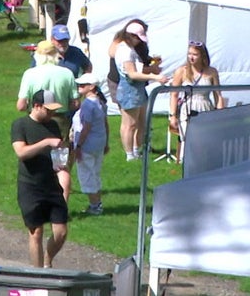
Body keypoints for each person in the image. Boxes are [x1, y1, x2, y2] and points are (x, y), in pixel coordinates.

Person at [11, 89, 70, 268]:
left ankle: (47, 260)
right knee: (36, 232)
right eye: (48, 109)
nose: (52, 113)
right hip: (30, 185)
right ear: (37, 106)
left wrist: (64, 160)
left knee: (61, 232)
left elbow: (59, 151)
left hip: (51, 184)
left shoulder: (53, 125)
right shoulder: (20, 125)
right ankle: (37, 274)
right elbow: (21, 152)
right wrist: (45, 142)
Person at [17, 40, 80, 200]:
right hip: (60, 119)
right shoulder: (67, 73)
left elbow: (21, 105)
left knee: (37, 158)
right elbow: (75, 103)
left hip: (35, 120)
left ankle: (38, 197)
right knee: (61, 165)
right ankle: (62, 204)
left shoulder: (30, 73)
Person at [109, 21, 168, 160]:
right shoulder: (125, 50)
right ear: (130, 36)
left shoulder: (129, 49)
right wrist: (155, 76)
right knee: (129, 124)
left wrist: (152, 66)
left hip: (136, 88)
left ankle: (136, 150)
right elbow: (132, 74)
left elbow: (138, 68)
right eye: (137, 38)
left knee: (138, 122)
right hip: (129, 88)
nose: (139, 42)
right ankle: (130, 154)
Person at [169, 41, 224, 162]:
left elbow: (218, 95)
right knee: (188, 137)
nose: (191, 57)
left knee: (204, 138)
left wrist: (220, 113)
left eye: (195, 54)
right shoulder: (182, 71)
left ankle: (203, 162)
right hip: (188, 107)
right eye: (189, 54)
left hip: (205, 106)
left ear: (202, 56)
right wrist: (173, 116)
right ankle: (186, 162)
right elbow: (174, 94)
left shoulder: (212, 72)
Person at [71, 74, 109, 216]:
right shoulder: (101, 102)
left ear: (91, 87)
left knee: (87, 175)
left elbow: (86, 127)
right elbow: (105, 124)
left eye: (83, 85)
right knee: (95, 173)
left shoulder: (88, 104)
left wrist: (79, 146)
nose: (79, 87)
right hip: (99, 143)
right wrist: (106, 142)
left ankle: (95, 205)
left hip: (87, 145)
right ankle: (97, 203)